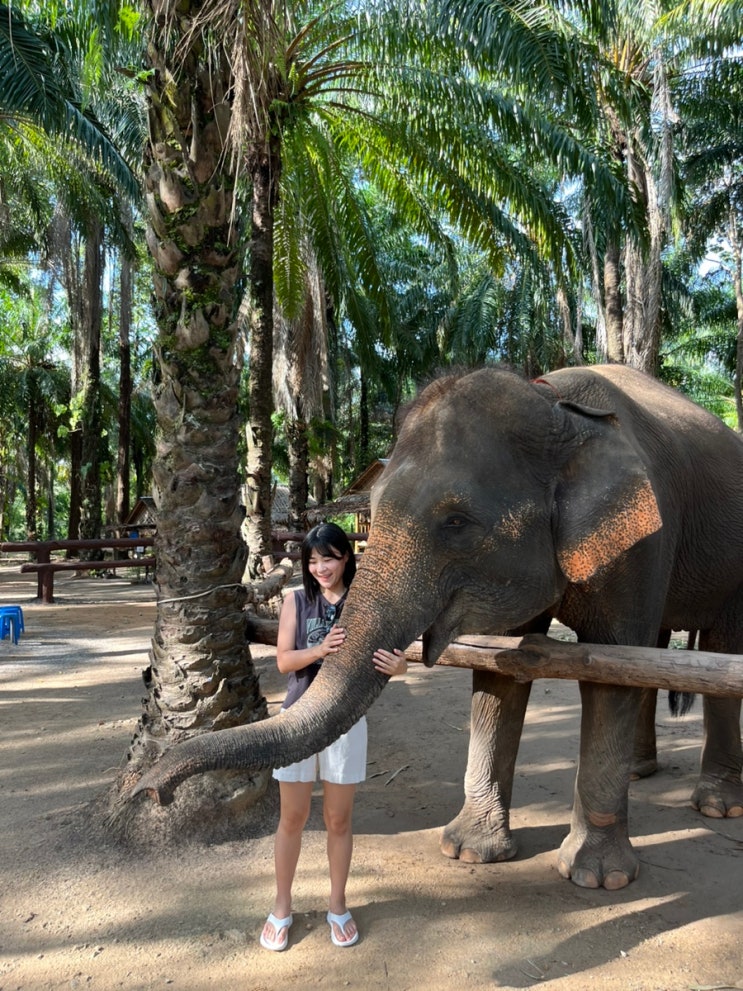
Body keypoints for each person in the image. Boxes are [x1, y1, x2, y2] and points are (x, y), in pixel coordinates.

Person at [260, 522, 407, 952]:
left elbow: (394, 660)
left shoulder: (364, 605)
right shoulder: (296, 601)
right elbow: (285, 662)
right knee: (292, 818)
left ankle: (338, 906)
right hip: (299, 719)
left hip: (346, 720)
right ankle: (282, 907)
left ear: (346, 558)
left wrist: (399, 667)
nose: (321, 567)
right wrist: (320, 651)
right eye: (313, 560)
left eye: (329, 558)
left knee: (338, 820)